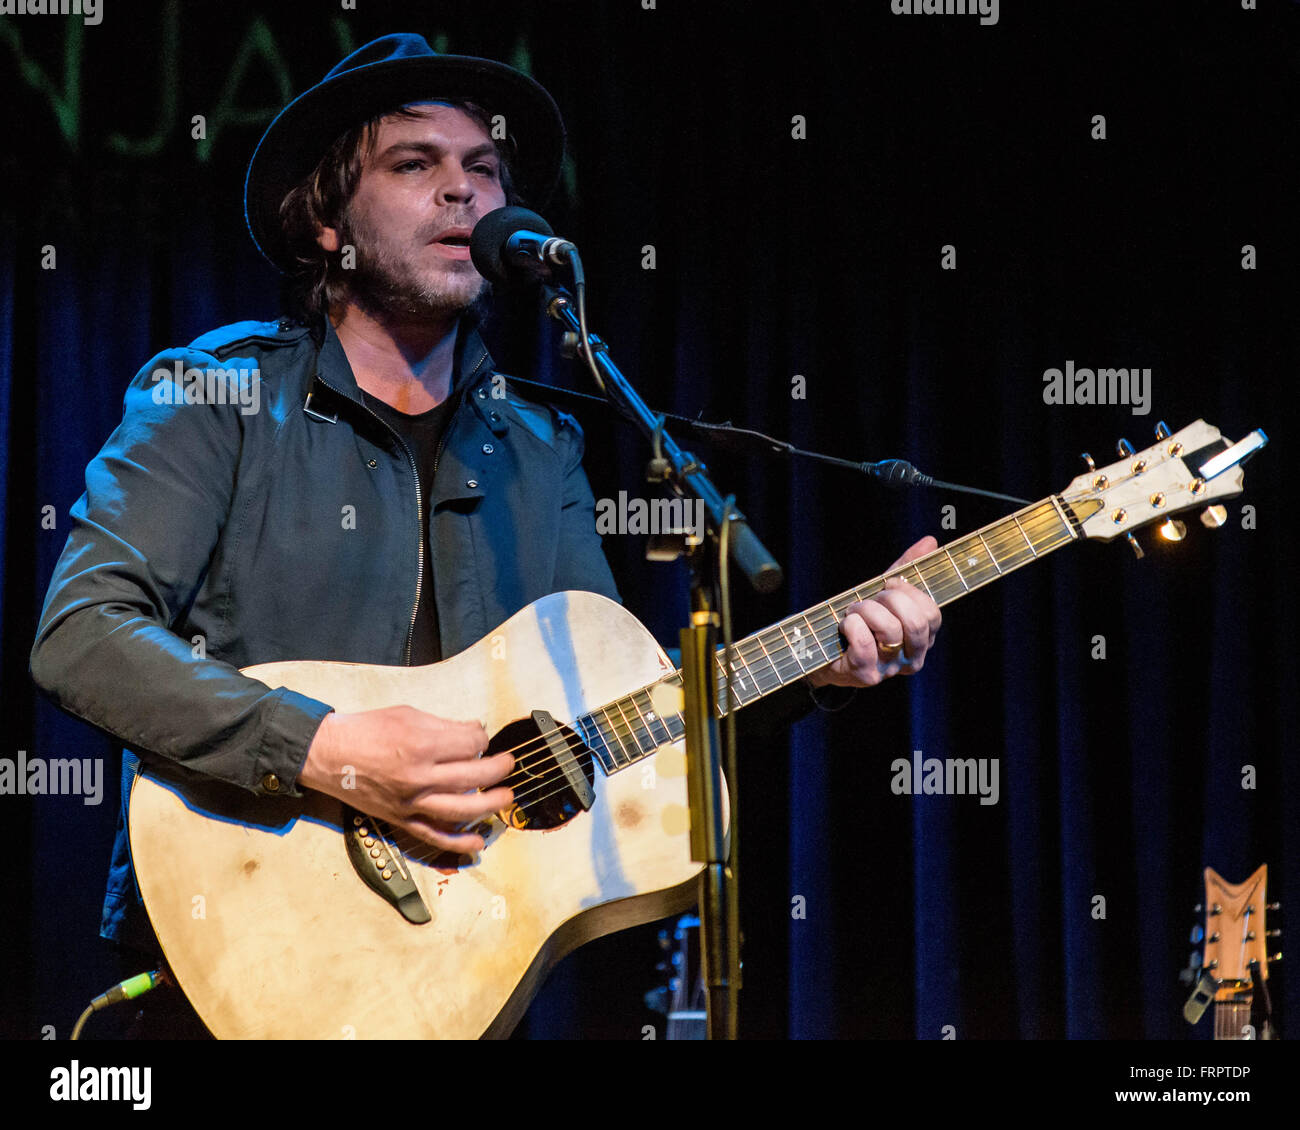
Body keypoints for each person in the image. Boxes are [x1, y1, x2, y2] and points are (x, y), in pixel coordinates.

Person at [29, 33, 942, 1036]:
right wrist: (324, 746)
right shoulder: (219, 395)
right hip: (245, 936)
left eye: (483, 169)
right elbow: (82, 634)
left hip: (456, 967)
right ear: (328, 222)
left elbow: (612, 724)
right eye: (414, 164)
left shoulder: (540, 443)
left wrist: (822, 664)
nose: (464, 192)